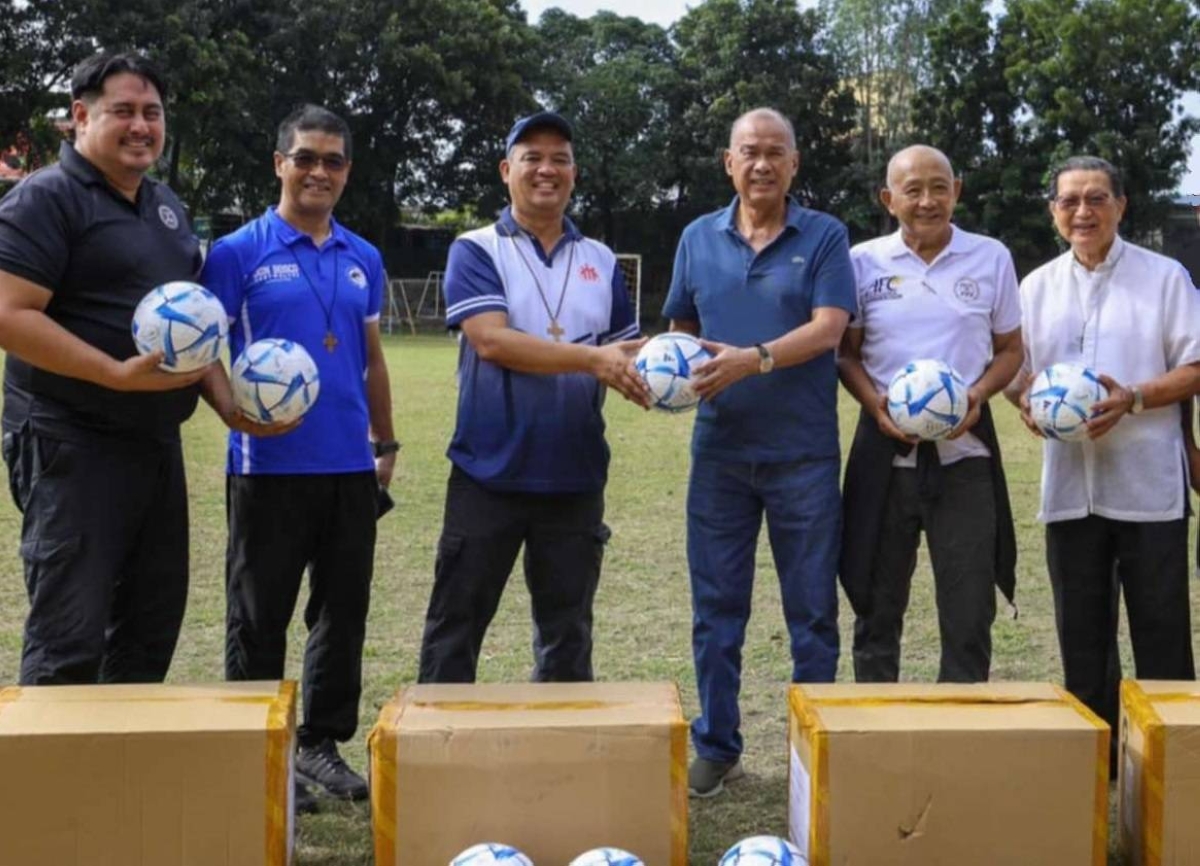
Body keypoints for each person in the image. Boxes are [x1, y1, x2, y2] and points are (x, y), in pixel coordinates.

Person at [199, 105, 395, 810]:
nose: (319, 171)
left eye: (333, 160)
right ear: (279, 162)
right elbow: (199, 352)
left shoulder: (363, 256)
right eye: (305, 157)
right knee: (260, 614)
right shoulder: (235, 252)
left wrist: (386, 441)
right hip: (268, 468)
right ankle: (262, 750)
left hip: (349, 468)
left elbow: (372, 360)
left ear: (347, 171)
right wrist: (232, 413)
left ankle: (318, 744)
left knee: (342, 613)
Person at [417, 110, 649, 685]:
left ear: (574, 173)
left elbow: (626, 353)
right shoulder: (475, 249)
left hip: (574, 477)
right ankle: (436, 767)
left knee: (567, 636)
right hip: (486, 474)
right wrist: (591, 358)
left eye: (561, 159)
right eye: (533, 157)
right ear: (506, 170)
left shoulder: (600, 259)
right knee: (456, 628)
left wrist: (688, 358)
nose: (548, 169)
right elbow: (491, 340)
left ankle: (561, 765)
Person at [662, 107, 855, 798]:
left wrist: (757, 359)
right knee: (717, 609)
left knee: (811, 612)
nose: (763, 163)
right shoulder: (696, 237)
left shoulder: (826, 235)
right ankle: (718, 745)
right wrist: (675, 378)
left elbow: (831, 328)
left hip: (803, 455)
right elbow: (682, 328)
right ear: (729, 161)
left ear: (795, 163)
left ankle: (814, 746)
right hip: (719, 455)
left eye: (777, 151)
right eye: (750, 151)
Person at [0, 52, 210, 686]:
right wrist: (111, 372)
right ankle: (48, 787)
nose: (141, 126)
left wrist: (232, 407)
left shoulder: (165, 205)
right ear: (80, 116)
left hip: (154, 445)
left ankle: (122, 783)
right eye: (123, 111)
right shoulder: (47, 197)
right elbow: (9, 313)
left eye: (153, 112)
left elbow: (196, 323)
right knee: (71, 634)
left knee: (149, 629)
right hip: (72, 441)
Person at [1008, 155, 1200, 762]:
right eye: (1070, 201)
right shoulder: (1035, 287)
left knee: (1163, 640)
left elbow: (1195, 366)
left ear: (1122, 205)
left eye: (1097, 199)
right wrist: (1026, 401)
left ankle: (1174, 774)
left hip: (1148, 489)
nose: (1083, 211)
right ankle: (1098, 775)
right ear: (1053, 212)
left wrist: (1135, 398)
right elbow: (1017, 370)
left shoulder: (1166, 278)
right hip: (1069, 494)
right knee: (1082, 644)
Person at [838, 145, 1021, 684]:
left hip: (965, 460)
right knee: (876, 610)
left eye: (939, 187)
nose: (927, 200)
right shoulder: (861, 261)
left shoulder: (990, 257)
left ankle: (961, 746)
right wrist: (877, 407)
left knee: (968, 616)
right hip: (884, 457)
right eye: (912, 189)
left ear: (957, 191)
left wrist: (977, 395)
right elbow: (845, 352)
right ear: (887, 198)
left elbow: (1010, 349)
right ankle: (874, 737)